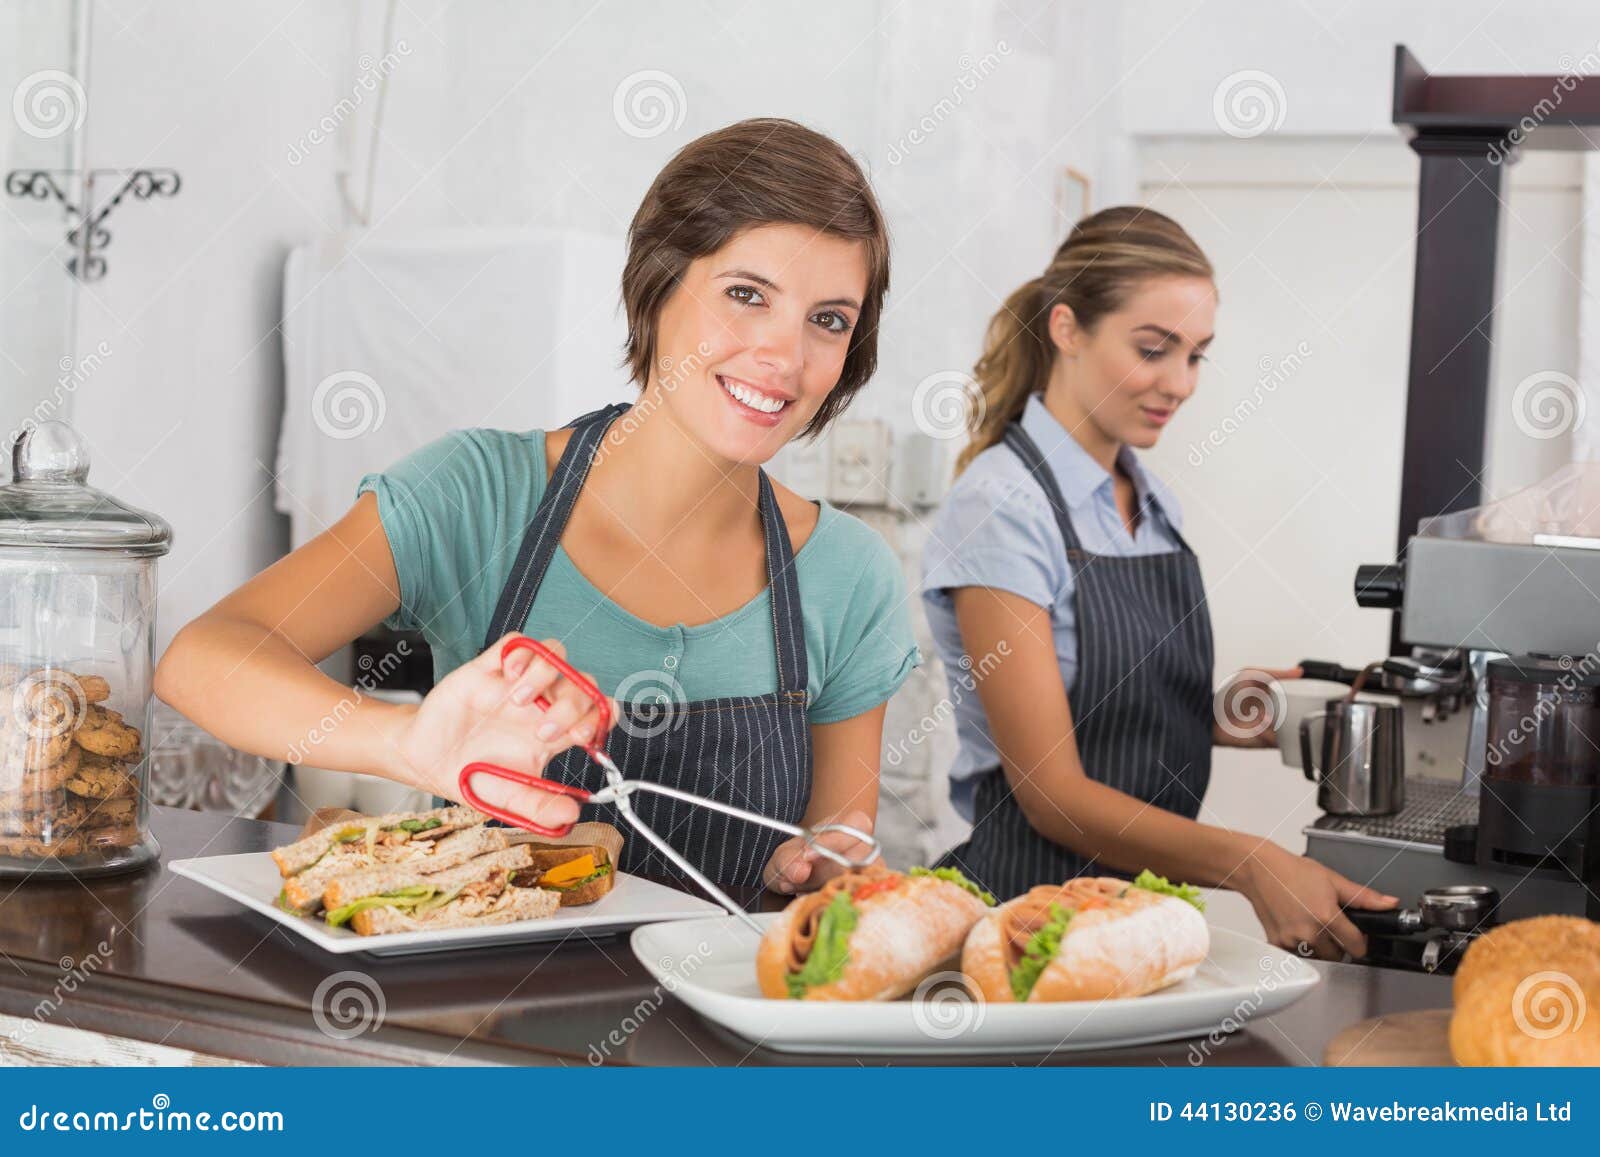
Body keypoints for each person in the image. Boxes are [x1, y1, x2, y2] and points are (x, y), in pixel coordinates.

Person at [155, 119, 918, 896]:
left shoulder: (847, 576)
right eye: (746, 295)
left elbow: (833, 861)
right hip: (470, 1012)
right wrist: (409, 743)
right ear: (657, 288)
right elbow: (204, 658)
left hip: (723, 1015)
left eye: (829, 320)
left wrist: (829, 871)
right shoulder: (480, 494)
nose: (786, 357)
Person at [920, 206, 1395, 959]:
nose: (1180, 383)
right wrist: (1255, 862)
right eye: (1153, 349)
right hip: (1022, 925)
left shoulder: (1145, 493)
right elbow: (1052, 793)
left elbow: (1100, 706)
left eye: (1198, 355)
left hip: (1124, 917)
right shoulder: (1003, 506)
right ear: (1068, 328)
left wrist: (1210, 714)